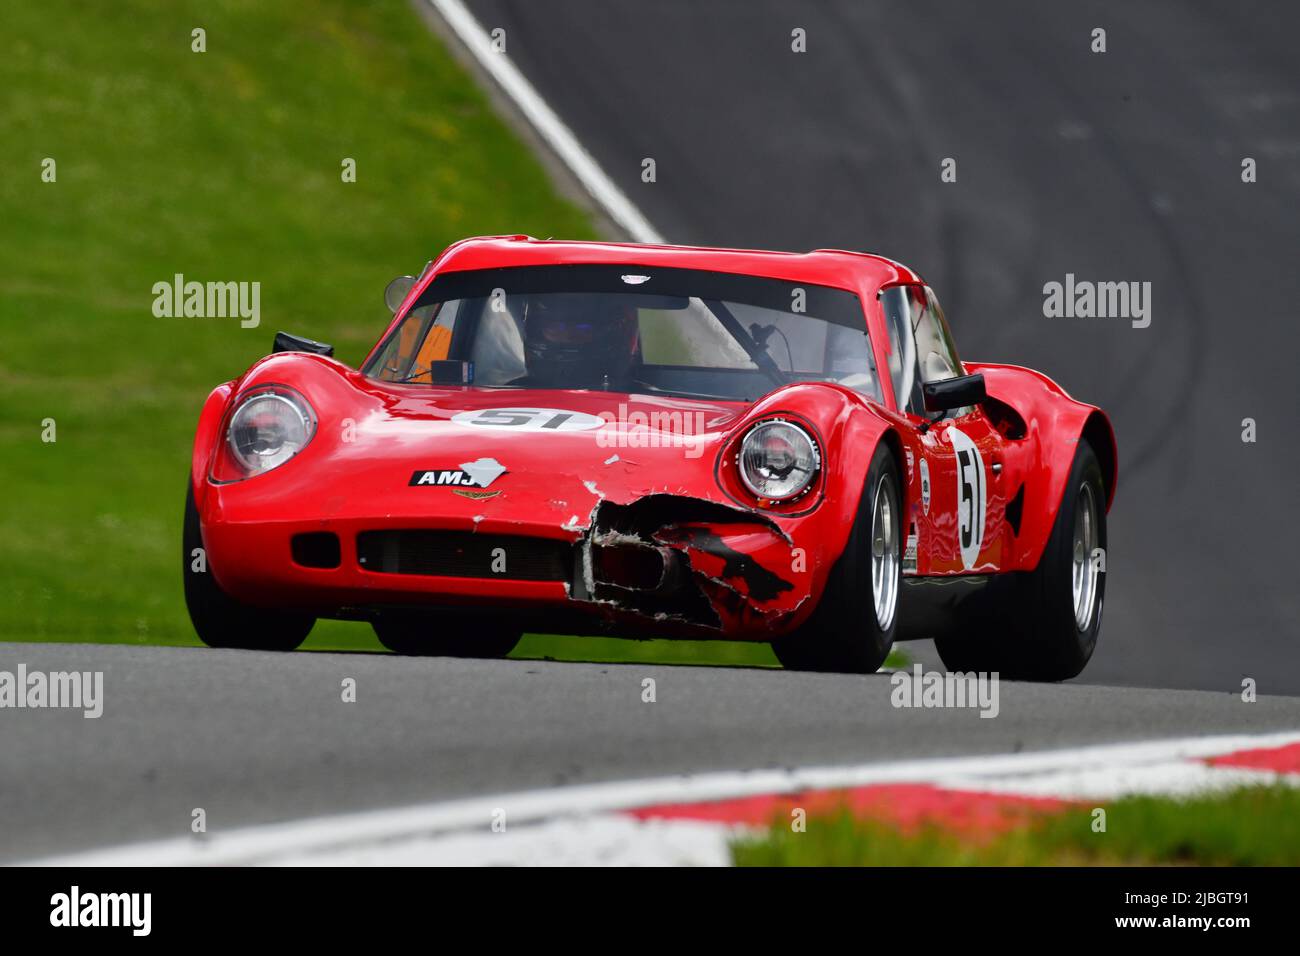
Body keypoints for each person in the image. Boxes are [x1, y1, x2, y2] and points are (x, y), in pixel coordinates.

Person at [512, 292, 641, 389]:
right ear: (536, 330)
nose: (569, 336)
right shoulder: (509, 393)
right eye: (558, 328)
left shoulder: (639, 399)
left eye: (583, 329)